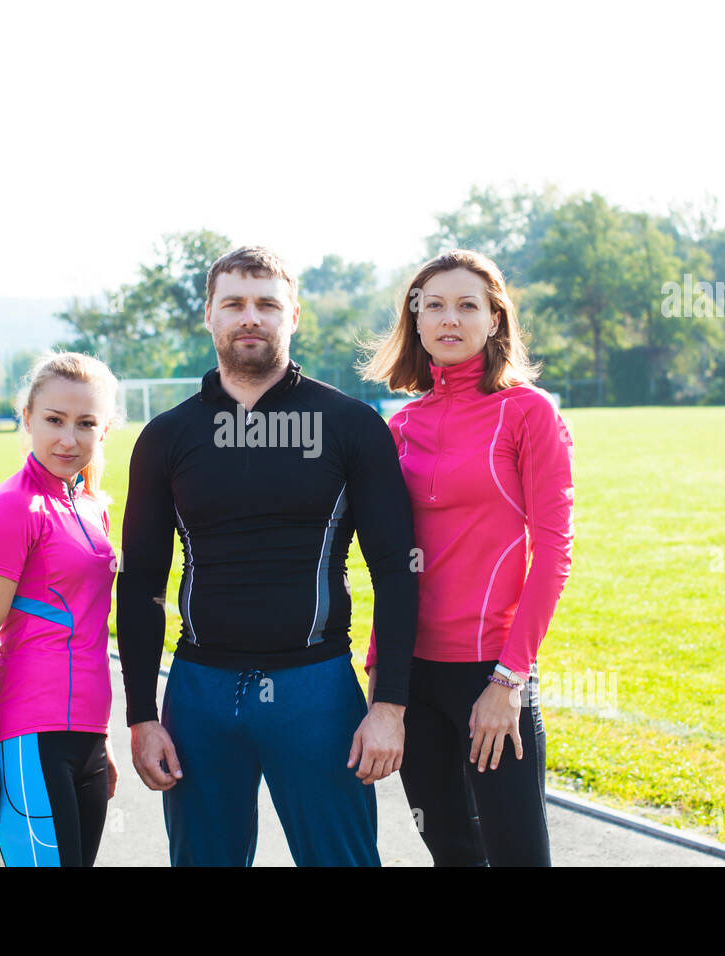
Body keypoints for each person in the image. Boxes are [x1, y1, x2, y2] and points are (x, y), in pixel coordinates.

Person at [116, 246, 418, 866]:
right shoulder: (167, 436)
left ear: (293, 316)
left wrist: (389, 704)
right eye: (234, 304)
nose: (249, 318)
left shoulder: (351, 425)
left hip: (317, 690)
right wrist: (142, 714)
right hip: (199, 692)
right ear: (210, 315)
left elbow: (396, 570)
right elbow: (142, 578)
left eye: (266, 305)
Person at [360, 249, 574, 866]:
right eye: (434, 306)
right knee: (451, 850)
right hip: (410, 679)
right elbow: (390, 562)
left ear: (495, 320)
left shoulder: (528, 413)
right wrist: (381, 677)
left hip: (491, 675)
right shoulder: (401, 427)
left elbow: (554, 552)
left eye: (467, 305)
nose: (449, 319)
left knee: (517, 855)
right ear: (416, 321)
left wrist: (510, 680)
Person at [0, 351, 121, 867]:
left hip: (87, 737)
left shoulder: (93, 507)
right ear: (27, 418)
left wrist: (102, 739)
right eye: (54, 420)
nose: (68, 439)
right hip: (31, 737)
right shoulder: (12, 506)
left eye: (85, 424)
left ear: (105, 429)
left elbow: (90, 628)